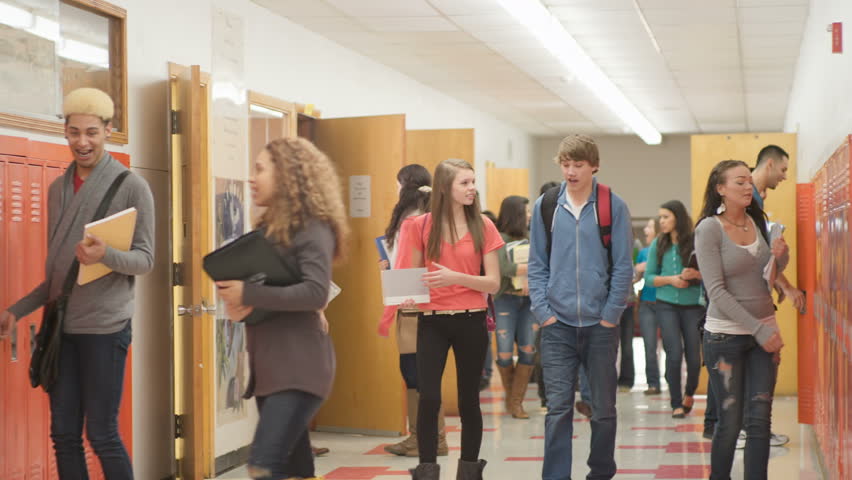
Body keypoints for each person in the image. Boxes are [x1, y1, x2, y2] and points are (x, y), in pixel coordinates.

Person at [0, 88, 155, 478]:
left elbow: (146, 260)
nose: (82, 142)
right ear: (64, 132)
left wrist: (108, 256)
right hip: (61, 329)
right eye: (73, 132)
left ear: (108, 131)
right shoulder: (57, 190)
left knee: (101, 433)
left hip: (106, 328)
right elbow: (57, 276)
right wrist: (16, 312)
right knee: (64, 434)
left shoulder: (132, 187)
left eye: (91, 132)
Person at [216, 137, 348, 480]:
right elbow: (275, 292)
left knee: (263, 464)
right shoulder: (270, 231)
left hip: (299, 369)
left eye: (260, 169)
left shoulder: (313, 227)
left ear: (288, 175)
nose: (252, 178)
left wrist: (250, 293)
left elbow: (316, 293)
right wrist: (244, 304)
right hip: (272, 370)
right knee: (295, 467)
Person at [528, 135, 633, 480]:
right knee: (557, 409)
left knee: (602, 410)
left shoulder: (612, 206)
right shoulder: (547, 205)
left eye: (578, 165)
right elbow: (537, 264)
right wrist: (544, 312)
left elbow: (622, 267)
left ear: (594, 166)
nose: (571, 172)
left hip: (599, 326)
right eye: (565, 164)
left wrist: (610, 316)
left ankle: (600, 473)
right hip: (557, 326)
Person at [395, 158, 503, 480]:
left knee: (469, 400)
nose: (472, 188)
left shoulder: (483, 225)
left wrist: (455, 277)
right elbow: (412, 279)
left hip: (472, 320)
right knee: (429, 398)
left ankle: (469, 472)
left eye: (473, 182)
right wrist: (397, 284)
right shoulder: (418, 226)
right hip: (432, 321)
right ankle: (427, 471)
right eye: (465, 183)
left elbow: (494, 282)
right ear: (445, 187)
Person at [695, 159, 788, 480]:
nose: (748, 186)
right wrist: (759, 330)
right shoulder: (709, 229)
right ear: (720, 189)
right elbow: (716, 292)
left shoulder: (757, 222)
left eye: (749, 180)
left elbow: (769, 275)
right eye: (739, 182)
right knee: (730, 421)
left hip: (763, 333)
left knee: (760, 420)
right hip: (725, 338)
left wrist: (780, 255)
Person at [378, 164, 449, 458]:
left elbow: (416, 264)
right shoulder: (427, 217)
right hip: (416, 302)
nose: (395, 189)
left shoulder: (414, 219)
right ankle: (423, 437)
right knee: (417, 373)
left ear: (405, 185)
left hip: (415, 305)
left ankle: (430, 439)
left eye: (397, 184)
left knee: (417, 373)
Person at [643, 200, 704, 418]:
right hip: (666, 305)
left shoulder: (696, 241)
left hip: (693, 306)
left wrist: (696, 275)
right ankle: (676, 402)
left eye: (666, 217)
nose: (662, 221)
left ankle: (690, 393)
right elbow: (649, 278)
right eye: (660, 217)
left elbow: (710, 271)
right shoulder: (658, 244)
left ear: (677, 217)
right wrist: (672, 279)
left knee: (695, 359)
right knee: (674, 354)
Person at [493, 195, 536, 419]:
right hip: (505, 300)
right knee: (504, 352)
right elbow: (503, 268)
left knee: (528, 349)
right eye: (526, 211)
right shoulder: (498, 238)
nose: (529, 215)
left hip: (529, 302)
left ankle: (516, 402)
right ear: (517, 214)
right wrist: (530, 268)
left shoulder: (531, 238)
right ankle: (511, 399)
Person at [533, 182, 560, 409]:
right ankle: (547, 397)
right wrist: (541, 308)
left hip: (570, 302)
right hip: (545, 304)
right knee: (545, 354)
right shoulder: (538, 229)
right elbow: (536, 268)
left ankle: (552, 397)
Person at [634, 219, 661, 395]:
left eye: (649, 226)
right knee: (649, 345)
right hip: (646, 303)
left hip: (667, 304)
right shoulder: (643, 252)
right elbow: (637, 279)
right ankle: (653, 383)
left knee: (674, 348)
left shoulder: (667, 251)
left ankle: (674, 381)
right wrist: (638, 270)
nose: (645, 229)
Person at [480, 209, 498, 392]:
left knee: (485, 338)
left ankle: (486, 373)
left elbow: (494, 282)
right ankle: (485, 373)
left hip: (481, 300)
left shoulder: (485, 227)